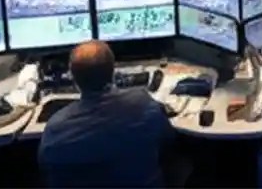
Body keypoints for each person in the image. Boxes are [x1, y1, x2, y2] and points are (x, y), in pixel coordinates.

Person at [39, 41, 177, 187]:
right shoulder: (144, 105)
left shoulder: (55, 128)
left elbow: (45, 166)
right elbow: (168, 140)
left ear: (73, 78)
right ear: (113, 71)